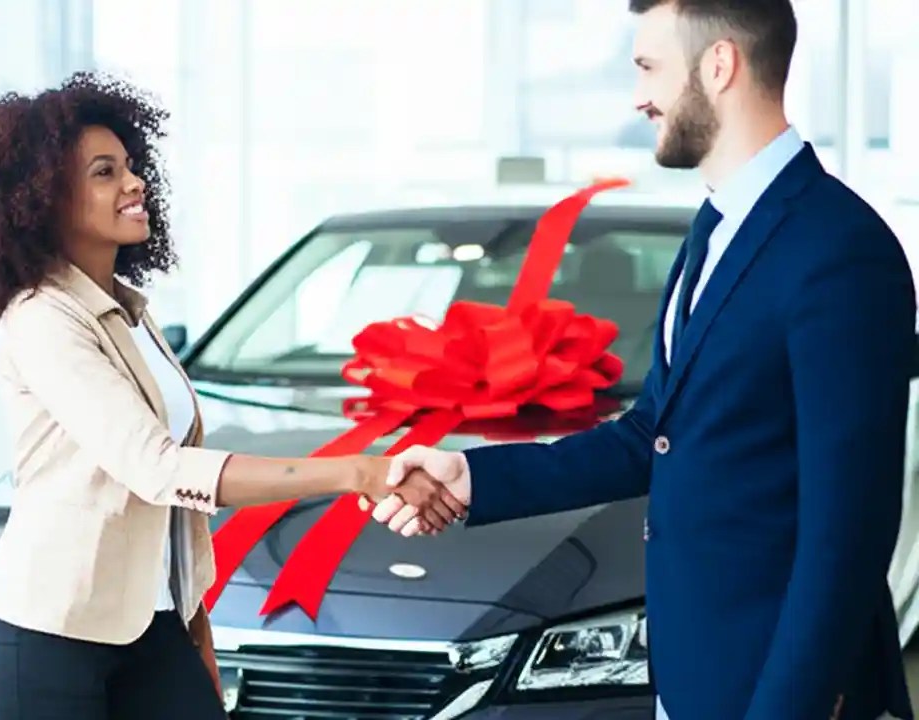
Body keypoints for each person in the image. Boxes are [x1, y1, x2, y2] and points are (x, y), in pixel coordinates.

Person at [369, 2, 916, 719]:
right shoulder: (714, 231)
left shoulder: (841, 250)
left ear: (718, 66)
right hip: (693, 676)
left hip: (775, 691)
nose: (638, 97)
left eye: (649, 67)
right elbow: (650, 433)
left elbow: (846, 534)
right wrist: (470, 475)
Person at [0, 72, 466, 720]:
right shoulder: (42, 320)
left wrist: (193, 624)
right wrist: (357, 470)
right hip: (49, 634)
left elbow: (174, 505)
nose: (135, 182)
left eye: (130, 165)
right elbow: (161, 469)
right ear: (43, 201)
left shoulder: (132, 314)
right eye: (104, 172)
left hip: (151, 626)